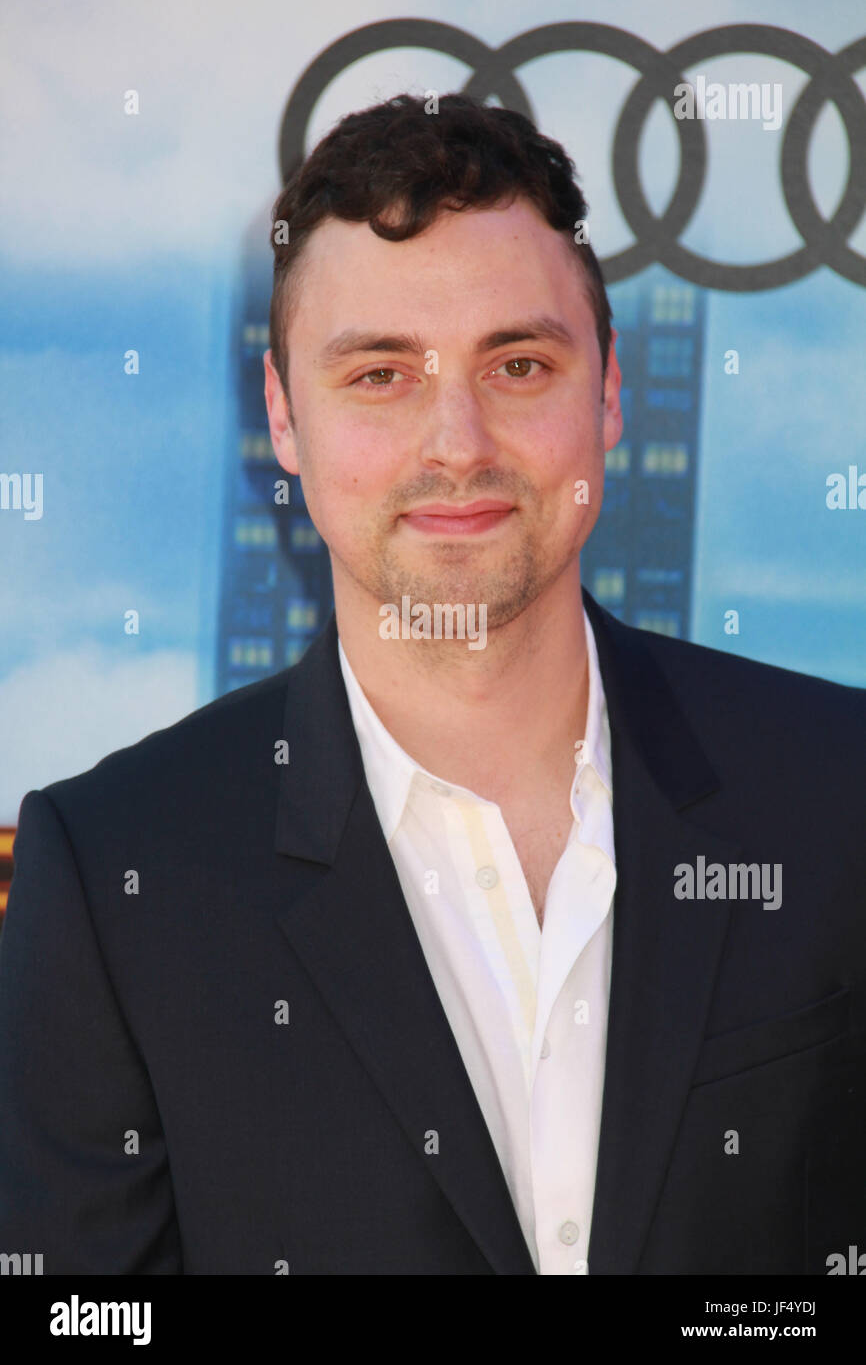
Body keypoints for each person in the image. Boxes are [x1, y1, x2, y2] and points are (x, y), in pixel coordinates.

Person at [0, 93, 863, 1276]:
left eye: (516, 362)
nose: (456, 440)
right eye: (380, 374)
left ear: (607, 394)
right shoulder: (114, 877)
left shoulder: (834, 792)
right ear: (282, 418)